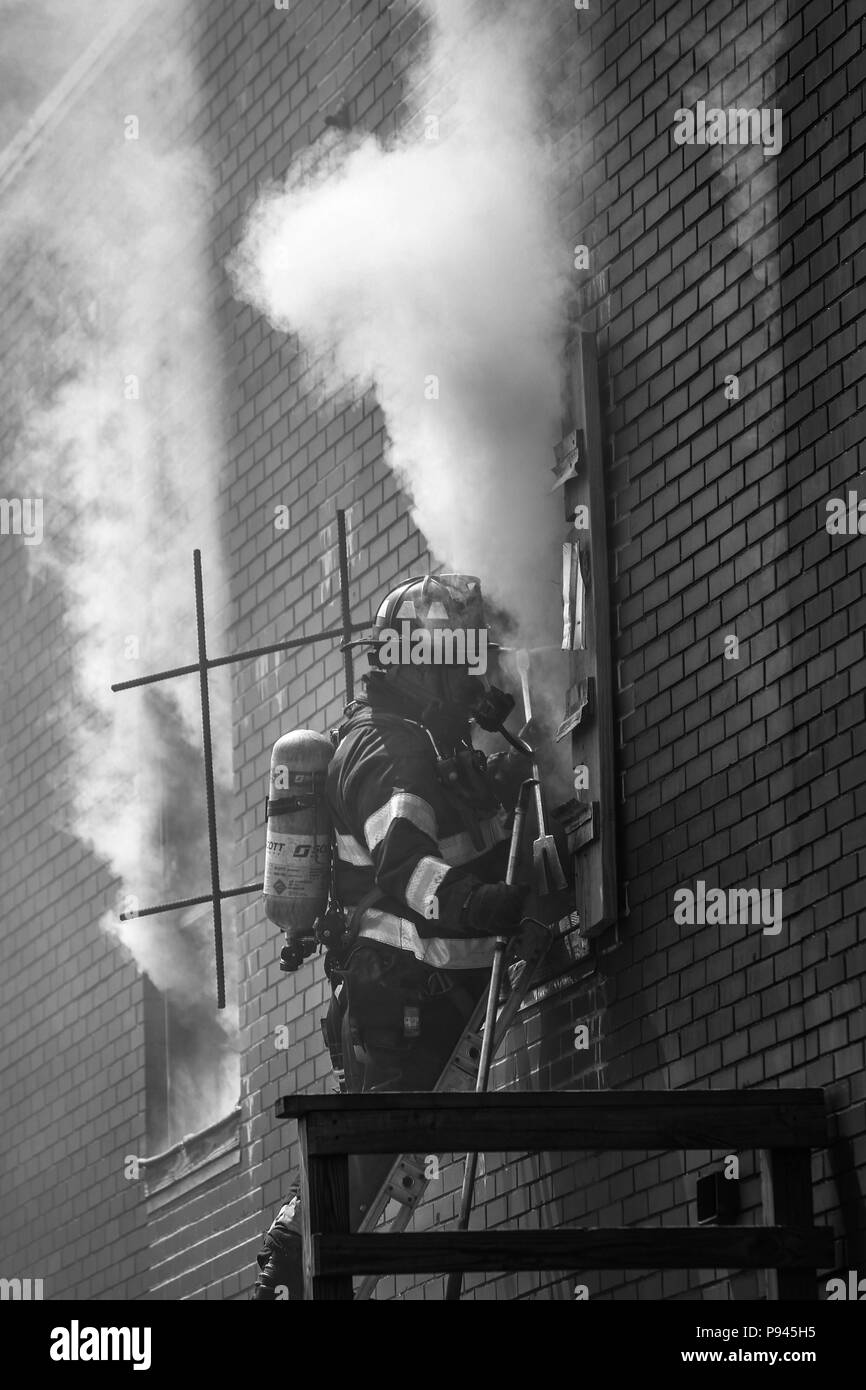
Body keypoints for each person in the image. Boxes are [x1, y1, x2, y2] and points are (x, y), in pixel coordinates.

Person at [251, 573, 535, 1299]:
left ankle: (297, 1247)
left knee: (364, 1164)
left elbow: (461, 822)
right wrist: (479, 904)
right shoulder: (390, 754)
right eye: (457, 662)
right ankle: (293, 1259)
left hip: (409, 1003)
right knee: (363, 1182)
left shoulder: (423, 742)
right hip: (407, 1005)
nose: (472, 679)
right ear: (420, 663)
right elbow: (406, 865)